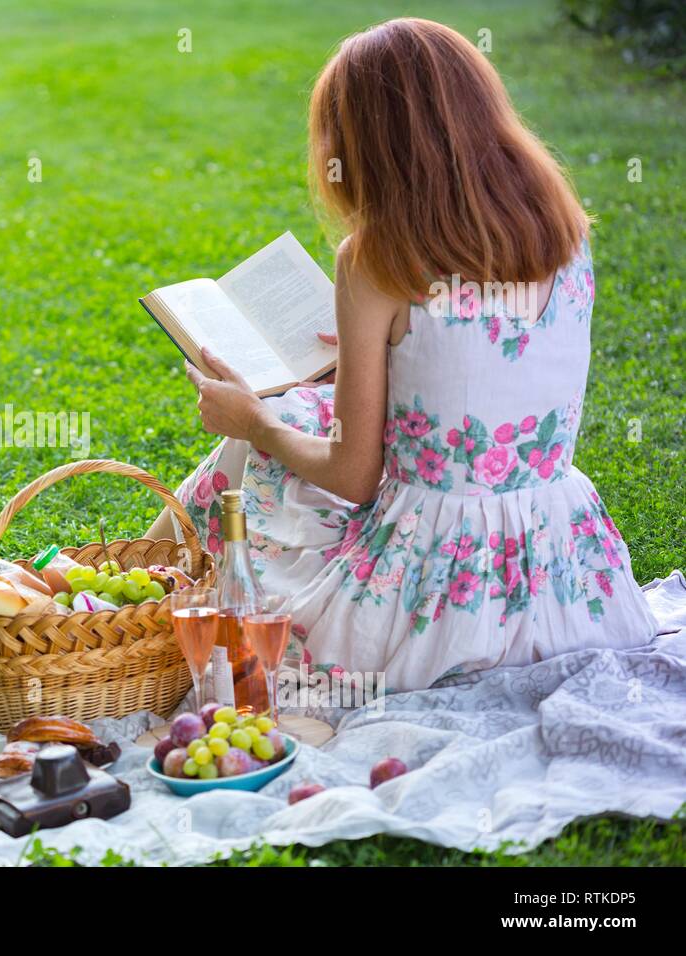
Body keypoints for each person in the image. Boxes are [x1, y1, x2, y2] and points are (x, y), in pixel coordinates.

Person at [150, 17, 658, 691]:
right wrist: (373, 360)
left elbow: (354, 477)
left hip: (431, 589)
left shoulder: (377, 258)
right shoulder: (564, 230)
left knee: (244, 456)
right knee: (303, 403)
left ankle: (134, 597)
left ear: (368, 145)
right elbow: (481, 369)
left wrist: (254, 422)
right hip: (564, 574)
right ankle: (131, 585)